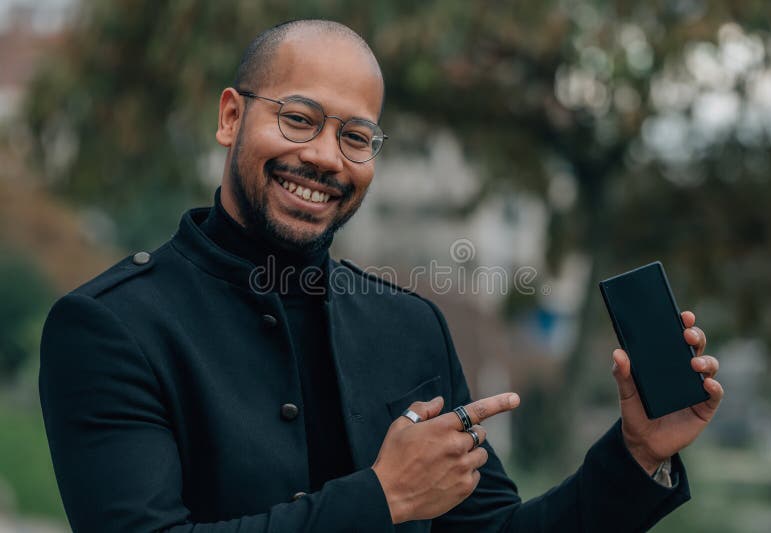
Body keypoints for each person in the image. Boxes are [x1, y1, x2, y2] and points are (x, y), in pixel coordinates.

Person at [38, 19, 724, 532]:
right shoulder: (111, 327)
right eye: (300, 119)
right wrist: (382, 497)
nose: (326, 158)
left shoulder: (409, 327)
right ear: (230, 117)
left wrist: (637, 455)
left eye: (357, 136)